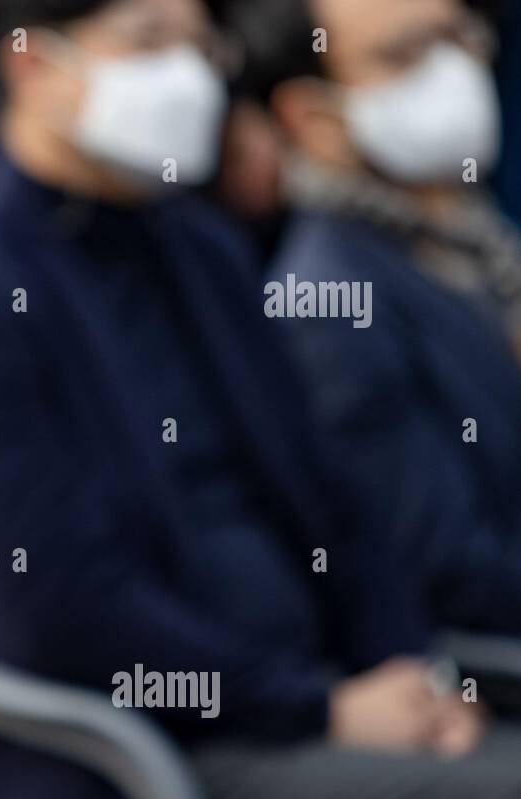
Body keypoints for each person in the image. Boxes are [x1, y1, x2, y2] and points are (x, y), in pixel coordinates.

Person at [0, 0, 521, 799]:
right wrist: (317, 709)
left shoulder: (198, 247)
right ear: (35, 67)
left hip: (330, 706)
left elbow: (338, 503)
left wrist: (410, 675)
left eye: (197, 44)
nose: (185, 74)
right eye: (148, 42)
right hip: (166, 759)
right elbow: (54, 607)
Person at [229, 0, 521, 635]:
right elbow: (449, 571)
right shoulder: (326, 301)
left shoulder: (468, 240)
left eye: (453, 36)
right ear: (312, 116)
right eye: (403, 56)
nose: (452, 68)